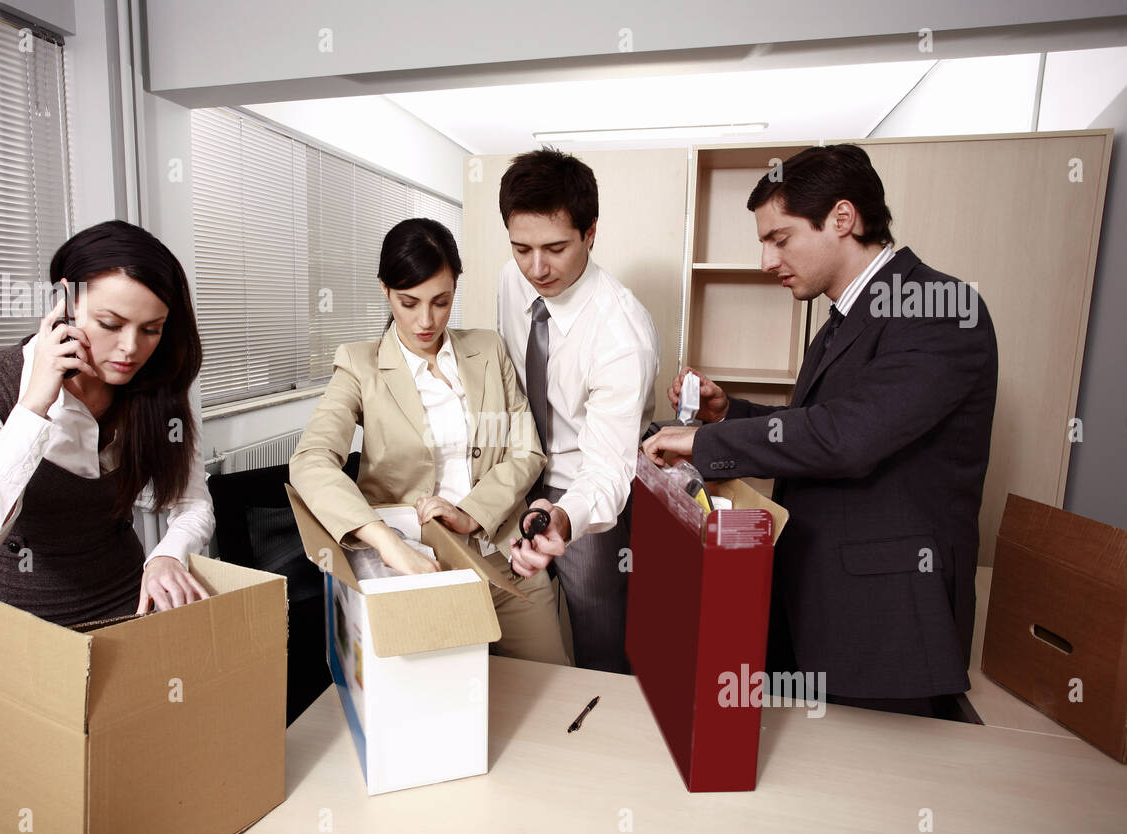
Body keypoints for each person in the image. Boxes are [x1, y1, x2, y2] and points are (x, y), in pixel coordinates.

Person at [643, 144, 998, 718]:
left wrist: (703, 444)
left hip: (887, 621)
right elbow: (814, 429)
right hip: (818, 597)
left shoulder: (942, 308)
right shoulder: (846, 316)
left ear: (842, 218)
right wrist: (727, 413)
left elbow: (848, 438)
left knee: (870, 795)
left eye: (778, 239)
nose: (765, 262)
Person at [0, 220, 215, 834]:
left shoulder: (157, 393)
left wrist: (169, 552)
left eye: (151, 328)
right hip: (12, 623)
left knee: (115, 770)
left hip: (121, 605)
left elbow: (192, 500)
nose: (130, 348)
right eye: (111, 322)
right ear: (63, 300)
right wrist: (33, 406)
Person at [290, 218, 567, 665]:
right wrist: (386, 541)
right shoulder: (359, 366)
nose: (426, 320)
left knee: (555, 689)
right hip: (417, 568)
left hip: (504, 557)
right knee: (446, 708)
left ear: (456, 287)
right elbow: (310, 462)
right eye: (409, 302)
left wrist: (470, 514)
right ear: (385, 291)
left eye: (441, 302)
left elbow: (526, 449)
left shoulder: (488, 349)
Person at [496, 148, 659, 674]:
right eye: (522, 248)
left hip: (585, 489)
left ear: (591, 233)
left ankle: (605, 727)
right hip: (518, 474)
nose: (536, 268)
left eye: (555, 248)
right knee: (515, 625)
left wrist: (565, 517)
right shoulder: (511, 279)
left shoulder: (621, 335)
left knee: (596, 631)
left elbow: (610, 466)